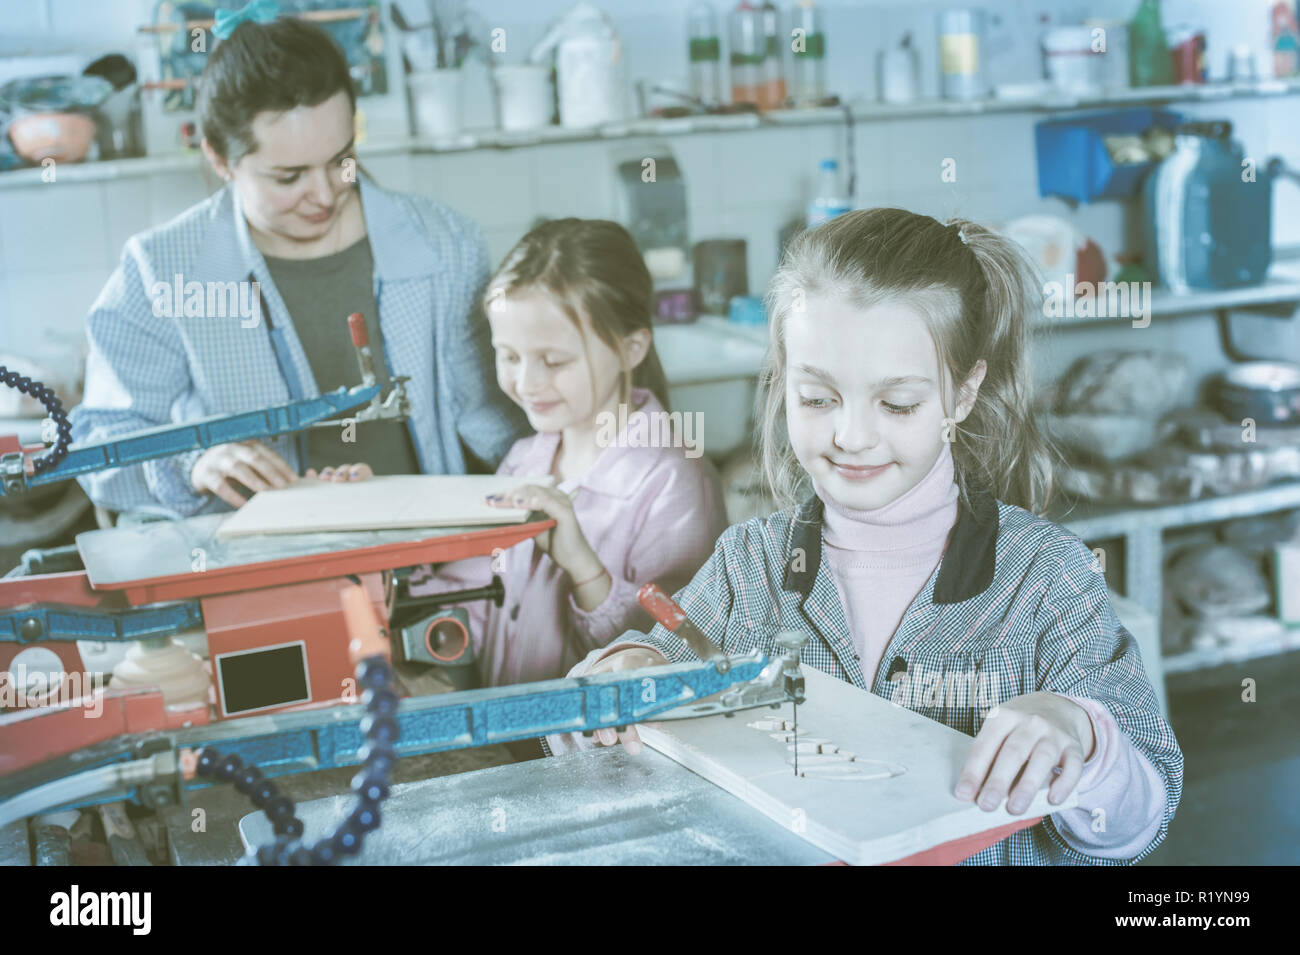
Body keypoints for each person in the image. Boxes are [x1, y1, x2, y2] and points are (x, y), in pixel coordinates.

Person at [546, 209, 1183, 865]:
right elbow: (609, 736)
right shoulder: (748, 565)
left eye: (897, 404)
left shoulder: (1047, 577)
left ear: (961, 395)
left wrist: (1079, 732)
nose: (851, 435)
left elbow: (1140, 821)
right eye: (818, 398)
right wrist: (618, 681)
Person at [69, 11, 527, 518]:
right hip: (262, 578)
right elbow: (99, 449)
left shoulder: (445, 243)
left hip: (430, 566)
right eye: (288, 177)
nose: (324, 194)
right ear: (220, 159)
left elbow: (495, 420)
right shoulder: (162, 271)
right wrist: (193, 464)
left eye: (341, 159)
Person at [405, 219, 728, 689]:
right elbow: (473, 595)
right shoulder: (523, 461)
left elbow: (670, 652)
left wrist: (583, 568)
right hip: (519, 737)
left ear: (630, 349)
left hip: (603, 757)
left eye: (553, 361)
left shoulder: (674, 484)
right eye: (509, 356)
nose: (527, 382)